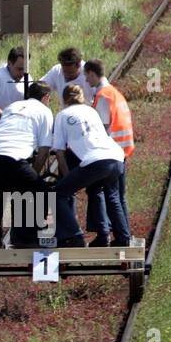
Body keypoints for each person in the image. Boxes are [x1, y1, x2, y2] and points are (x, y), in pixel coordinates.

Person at [0, 81, 53, 249]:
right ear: (46, 97)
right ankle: (25, 237)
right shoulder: (45, 111)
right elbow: (44, 150)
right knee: (39, 190)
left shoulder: (13, 106)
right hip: (10, 157)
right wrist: (34, 174)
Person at [51, 84, 129, 248]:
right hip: (116, 156)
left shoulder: (62, 115)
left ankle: (74, 235)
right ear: (81, 97)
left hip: (96, 161)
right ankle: (122, 237)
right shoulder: (91, 111)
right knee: (108, 194)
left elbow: (59, 151)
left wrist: (67, 179)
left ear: (65, 99)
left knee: (58, 194)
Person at [84, 58, 135, 247]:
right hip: (122, 150)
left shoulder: (103, 96)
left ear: (91, 73)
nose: (86, 81)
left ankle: (114, 236)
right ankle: (124, 234)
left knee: (107, 193)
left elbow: (102, 128)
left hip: (111, 153)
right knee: (118, 195)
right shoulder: (114, 93)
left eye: (86, 76)